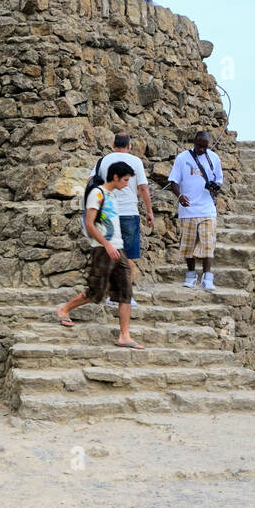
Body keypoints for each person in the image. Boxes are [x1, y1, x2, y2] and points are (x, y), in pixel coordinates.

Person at [54, 161, 144, 348]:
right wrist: (106, 245)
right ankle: (64, 309)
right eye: (125, 180)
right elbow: (90, 224)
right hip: (104, 249)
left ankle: (124, 336)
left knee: (125, 292)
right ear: (116, 177)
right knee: (97, 291)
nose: (127, 184)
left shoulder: (112, 195)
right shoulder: (98, 194)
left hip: (118, 249)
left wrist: (116, 247)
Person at [96, 131, 155, 301]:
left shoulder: (105, 160)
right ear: (129, 146)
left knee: (110, 255)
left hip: (108, 213)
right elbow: (143, 188)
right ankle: (125, 296)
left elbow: (95, 184)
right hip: (129, 213)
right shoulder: (135, 161)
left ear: (114, 145)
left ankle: (109, 295)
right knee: (128, 256)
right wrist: (149, 211)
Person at [168, 129, 224, 289]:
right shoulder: (182, 158)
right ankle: (191, 274)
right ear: (194, 142)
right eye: (199, 146)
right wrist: (179, 196)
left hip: (207, 209)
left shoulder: (214, 158)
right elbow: (173, 180)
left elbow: (219, 179)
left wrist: (216, 187)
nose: (201, 149)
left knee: (208, 243)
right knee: (188, 246)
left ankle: (207, 277)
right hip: (188, 209)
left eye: (204, 147)